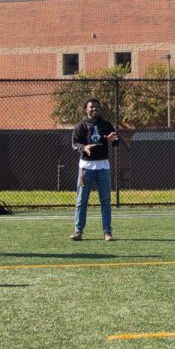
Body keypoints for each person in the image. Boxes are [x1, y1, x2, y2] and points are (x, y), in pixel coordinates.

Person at [70, 96, 121, 242]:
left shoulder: (106, 125)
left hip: (103, 167)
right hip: (85, 168)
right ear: (86, 109)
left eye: (97, 107)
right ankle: (78, 231)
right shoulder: (80, 126)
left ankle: (107, 232)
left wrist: (113, 139)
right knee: (81, 200)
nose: (94, 109)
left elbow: (116, 142)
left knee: (105, 201)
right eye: (91, 107)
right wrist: (84, 147)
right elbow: (74, 144)